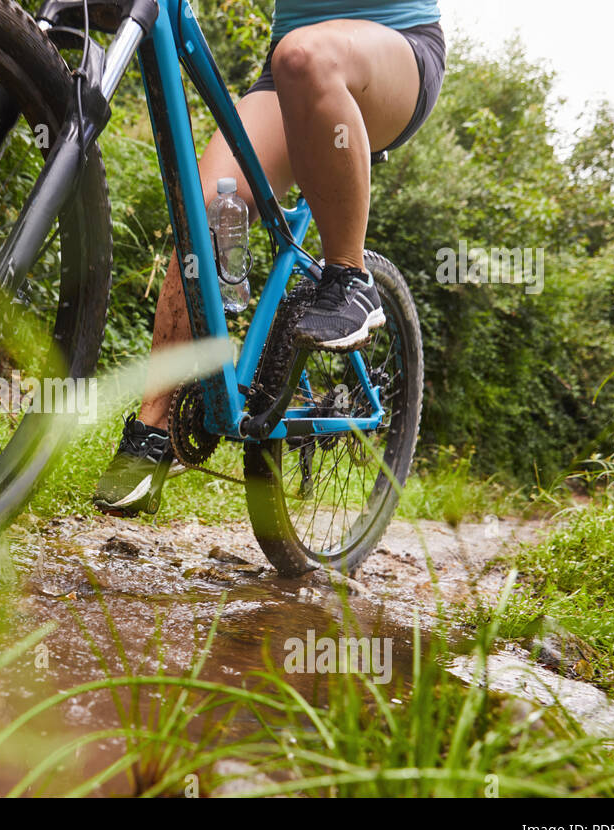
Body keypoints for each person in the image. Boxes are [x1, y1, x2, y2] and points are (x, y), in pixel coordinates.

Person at [93, 0, 446, 515]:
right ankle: (153, 432)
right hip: (287, 70)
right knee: (205, 213)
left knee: (306, 57)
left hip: (396, 53)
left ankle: (349, 277)